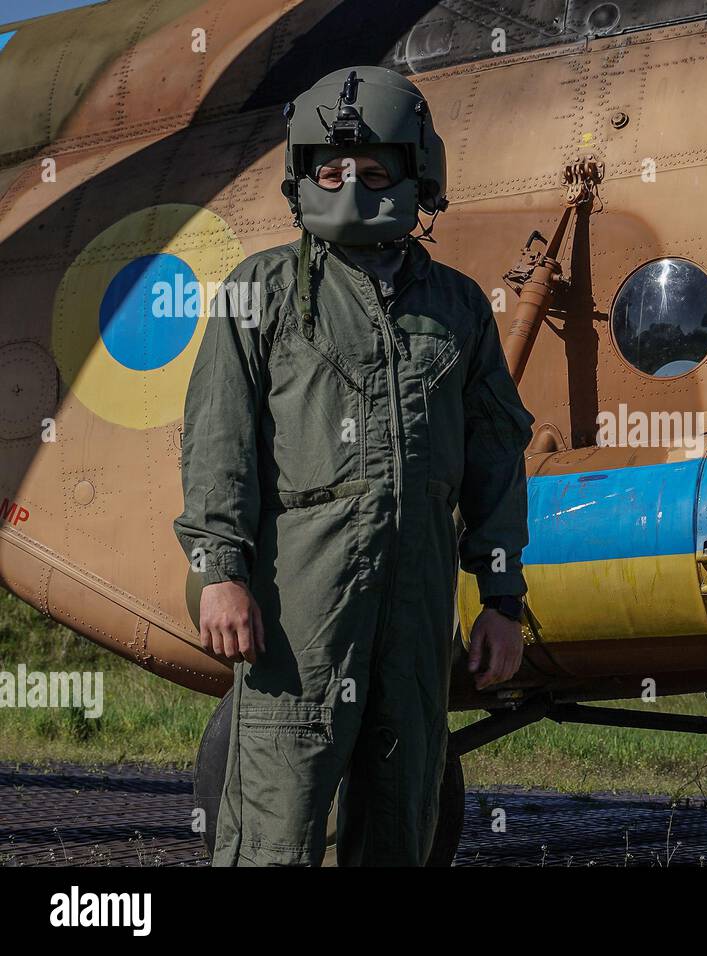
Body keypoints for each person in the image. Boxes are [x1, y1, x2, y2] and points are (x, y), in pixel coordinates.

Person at [174, 66, 533, 866]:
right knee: (277, 814)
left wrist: (503, 599)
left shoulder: (459, 307)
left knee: (401, 817)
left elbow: (495, 460)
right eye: (329, 173)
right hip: (298, 605)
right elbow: (216, 445)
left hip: (416, 607)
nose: (348, 188)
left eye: (373, 174)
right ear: (301, 177)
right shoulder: (257, 293)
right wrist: (220, 572)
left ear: (418, 176)